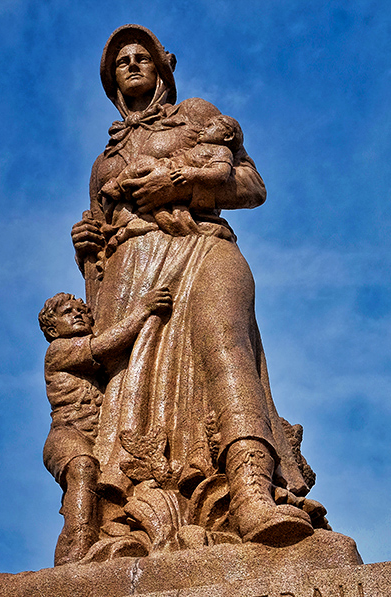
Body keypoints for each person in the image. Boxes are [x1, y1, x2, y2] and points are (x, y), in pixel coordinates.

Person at [71, 24, 316, 547]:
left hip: (203, 243)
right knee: (131, 388)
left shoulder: (199, 117)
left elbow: (252, 187)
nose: (133, 64)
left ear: (161, 66)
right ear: (111, 79)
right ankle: (129, 515)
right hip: (133, 274)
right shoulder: (105, 163)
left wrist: (179, 184)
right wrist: (87, 248)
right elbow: (96, 278)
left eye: (143, 56)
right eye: (122, 61)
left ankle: (250, 493)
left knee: (226, 340)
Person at [39, 287, 172, 563]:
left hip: (96, 438)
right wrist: (142, 310)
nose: (77, 314)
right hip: (67, 435)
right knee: (82, 468)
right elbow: (103, 345)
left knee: (95, 484)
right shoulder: (59, 350)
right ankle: (75, 552)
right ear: (53, 330)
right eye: (67, 313)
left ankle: (90, 538)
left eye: (81, 312)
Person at [100, 114, 243, 237]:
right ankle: (118, 188)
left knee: (144, 172)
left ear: (228, 136)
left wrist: (192, 175)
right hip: (166, 166)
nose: (203, 129)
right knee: (140, 162)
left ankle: (123, 196)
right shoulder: (200, 146)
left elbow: (222, 174)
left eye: (209, 126)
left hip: (174, 174)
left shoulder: (222, 151)